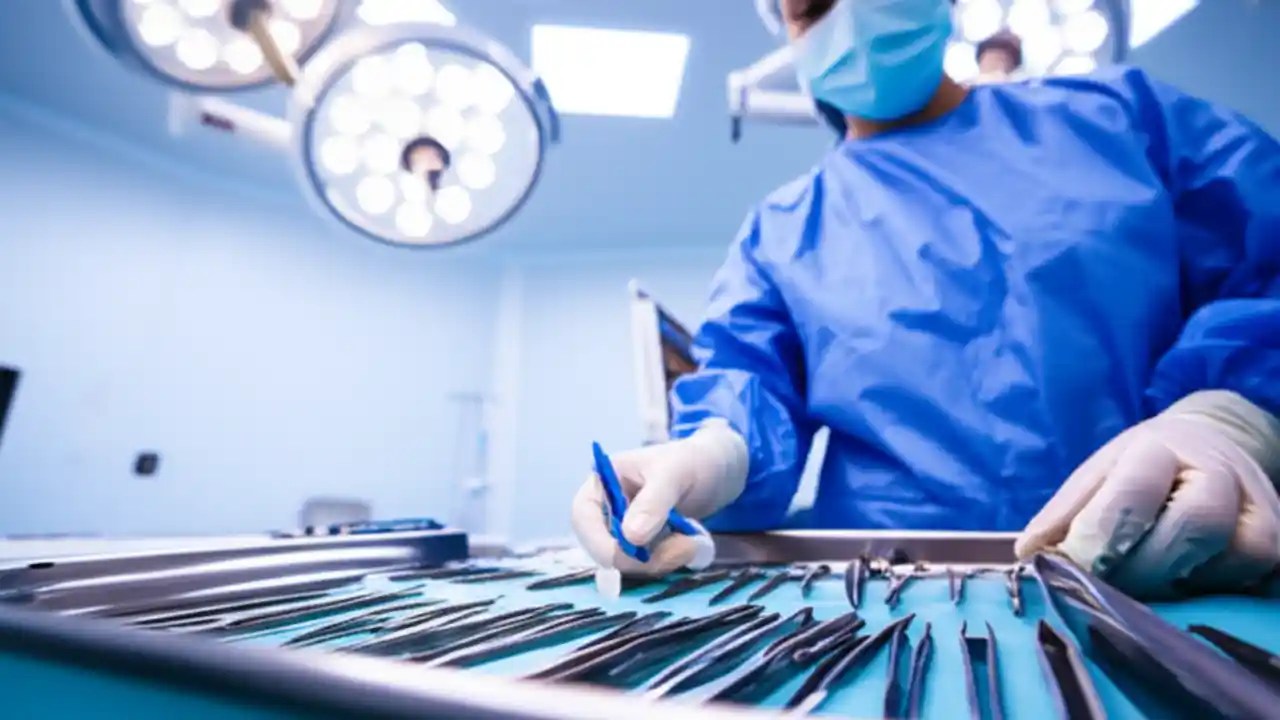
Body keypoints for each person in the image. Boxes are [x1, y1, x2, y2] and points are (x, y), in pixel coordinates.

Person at [572, 0, 1280, 599]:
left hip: (1159, 573)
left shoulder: (1124, 123)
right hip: (888, 593)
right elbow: (747, 388)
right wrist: (707, 455)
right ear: (787, 29)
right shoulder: (784, 230)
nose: (848, 14)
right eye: (812, 3)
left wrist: (1231, 416)